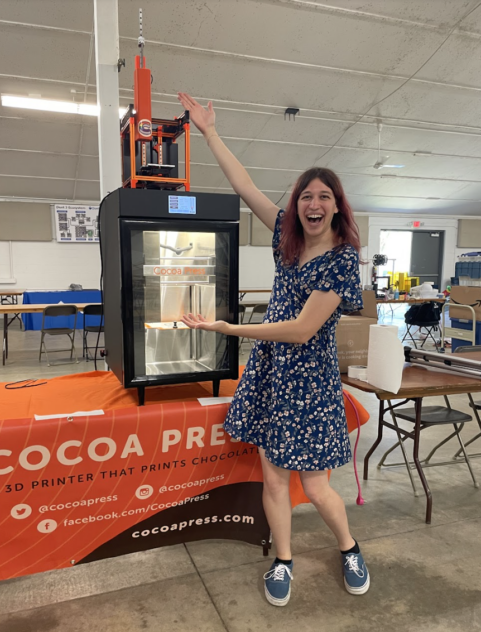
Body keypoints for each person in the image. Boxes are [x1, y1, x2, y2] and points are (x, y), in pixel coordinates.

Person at [178, 92, 370, 607]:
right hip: (271, 375)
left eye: (323, 197)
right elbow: (245, 186)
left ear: (337, 206)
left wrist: (229, 328)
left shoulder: (341, 261)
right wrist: (209, 132)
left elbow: (301, 331)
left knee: (317, 485)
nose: (313, 204)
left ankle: (349, 548)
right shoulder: (287, 238)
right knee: (274, 479)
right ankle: (282, 560)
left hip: (309, 381)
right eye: (306, 196)